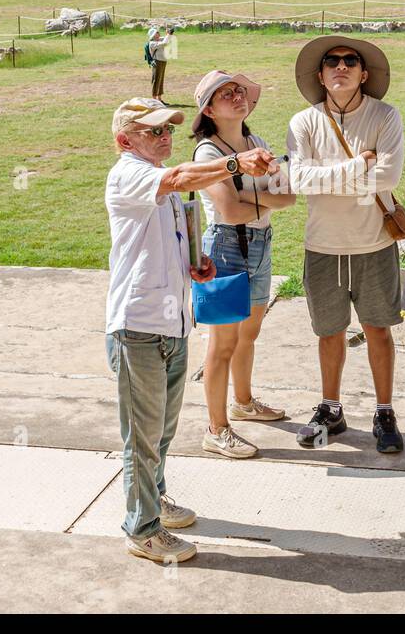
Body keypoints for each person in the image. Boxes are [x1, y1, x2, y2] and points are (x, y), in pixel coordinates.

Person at [106, 96, 277, 563]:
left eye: (167, 131)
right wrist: (235, 162)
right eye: (153, 132)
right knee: (141, 436)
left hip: (170, 324)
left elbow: (160, 246)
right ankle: (141, 530)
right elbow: (181, 176)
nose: (164, 138)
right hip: (136, 327)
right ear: (125, 141)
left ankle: (154, 500)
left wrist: (192, 267)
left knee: (161, 430)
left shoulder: (158, 188)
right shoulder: (129, 174)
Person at [285, 35, 405, 452]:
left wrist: (330, 175)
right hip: (323, 244)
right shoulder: (304, 122)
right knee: (329, 332)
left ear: (364, 73)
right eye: (331, 62)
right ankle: (330, 407)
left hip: (373, 243)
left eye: (350, 61)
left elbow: (388, 179)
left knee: (378, 330)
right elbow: (299, 181)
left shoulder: (385, 116)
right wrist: (360, 164)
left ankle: (385, 409)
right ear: (320, 75)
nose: (341, 67)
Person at [190, 70, 296, 459]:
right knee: (222, 344)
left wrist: (260, 197)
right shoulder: (209, 153)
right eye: (225, 94)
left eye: (239, 91)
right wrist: (264, 196)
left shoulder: (258, 143)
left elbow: (289, 198)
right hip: (225, 249)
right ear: (210, 110)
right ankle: (216, 429)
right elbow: (230, 212)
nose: (237, 97)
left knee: (249, 332)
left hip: (260, 243)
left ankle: (244, 402)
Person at [147, 26, 174, 101]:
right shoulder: (152, 43)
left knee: (161, 80)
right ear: (153, 35)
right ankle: (154, 99)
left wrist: (170, 32)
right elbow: (164, 43)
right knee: (156, 80)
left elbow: (168, 39)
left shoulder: (160, 39)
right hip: (157, 62)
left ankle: (159, 99)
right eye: (157, 32)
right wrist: (168, 34)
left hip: (163, 61)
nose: (158, 33)